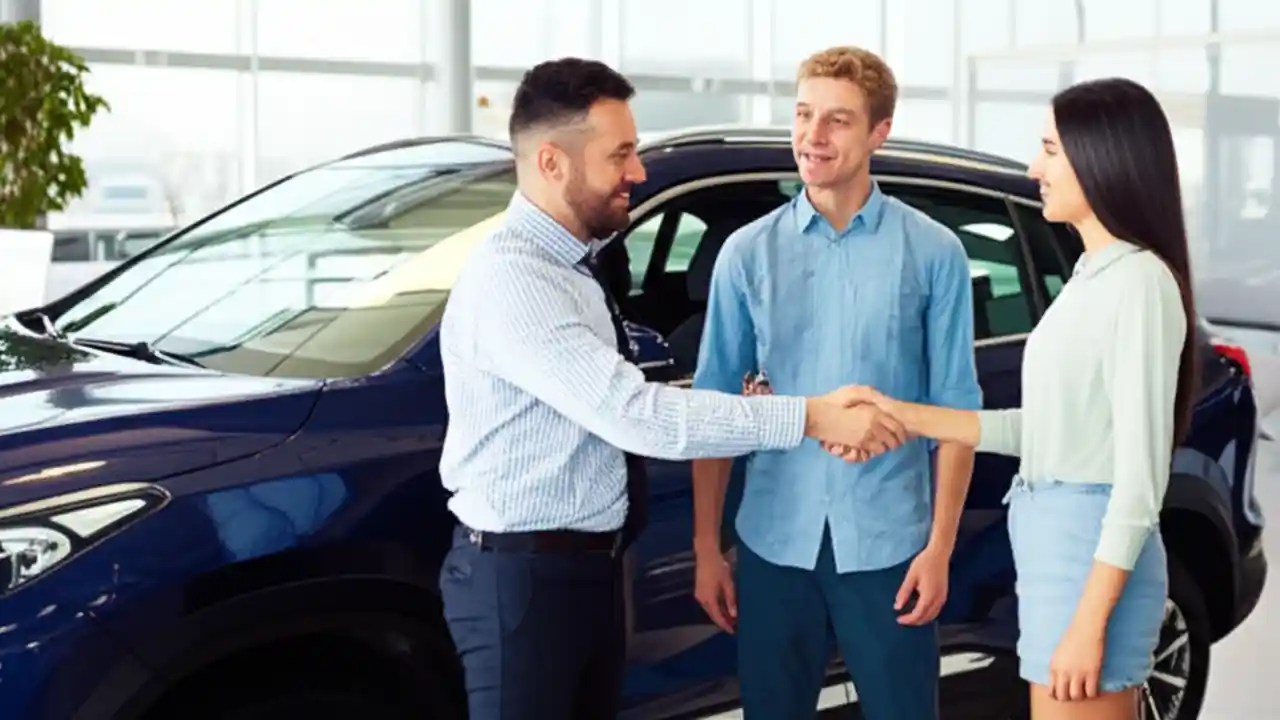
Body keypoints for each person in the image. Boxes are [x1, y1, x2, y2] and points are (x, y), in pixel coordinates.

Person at [435, 56, 906, 720]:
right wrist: (810, 417)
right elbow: (641, 418)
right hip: (525, 584)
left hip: (581, 574)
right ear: (552, 162)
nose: (637, 171)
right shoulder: (517, 282)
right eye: (620, 155)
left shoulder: (568, 268)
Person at [838, 76, 1197, 720]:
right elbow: (1047, 430)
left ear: (1104, 155)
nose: (1036, 167)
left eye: (1050, 149)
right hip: (1059, 553)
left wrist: (1089, 624)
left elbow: (1141, 484)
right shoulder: (1093, 274)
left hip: (1089, 561)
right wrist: (903, 414)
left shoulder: (1139, 284)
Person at [689, 45, 982, 720]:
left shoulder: (934, 252)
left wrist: (939, 550)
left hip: (889, 546)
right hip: (771, 542)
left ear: (879, 132)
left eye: (837, 121)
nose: (812, 137)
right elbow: (712, 409)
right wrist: (708, 547)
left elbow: (959, 412)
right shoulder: (747, 254)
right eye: (803, 115)